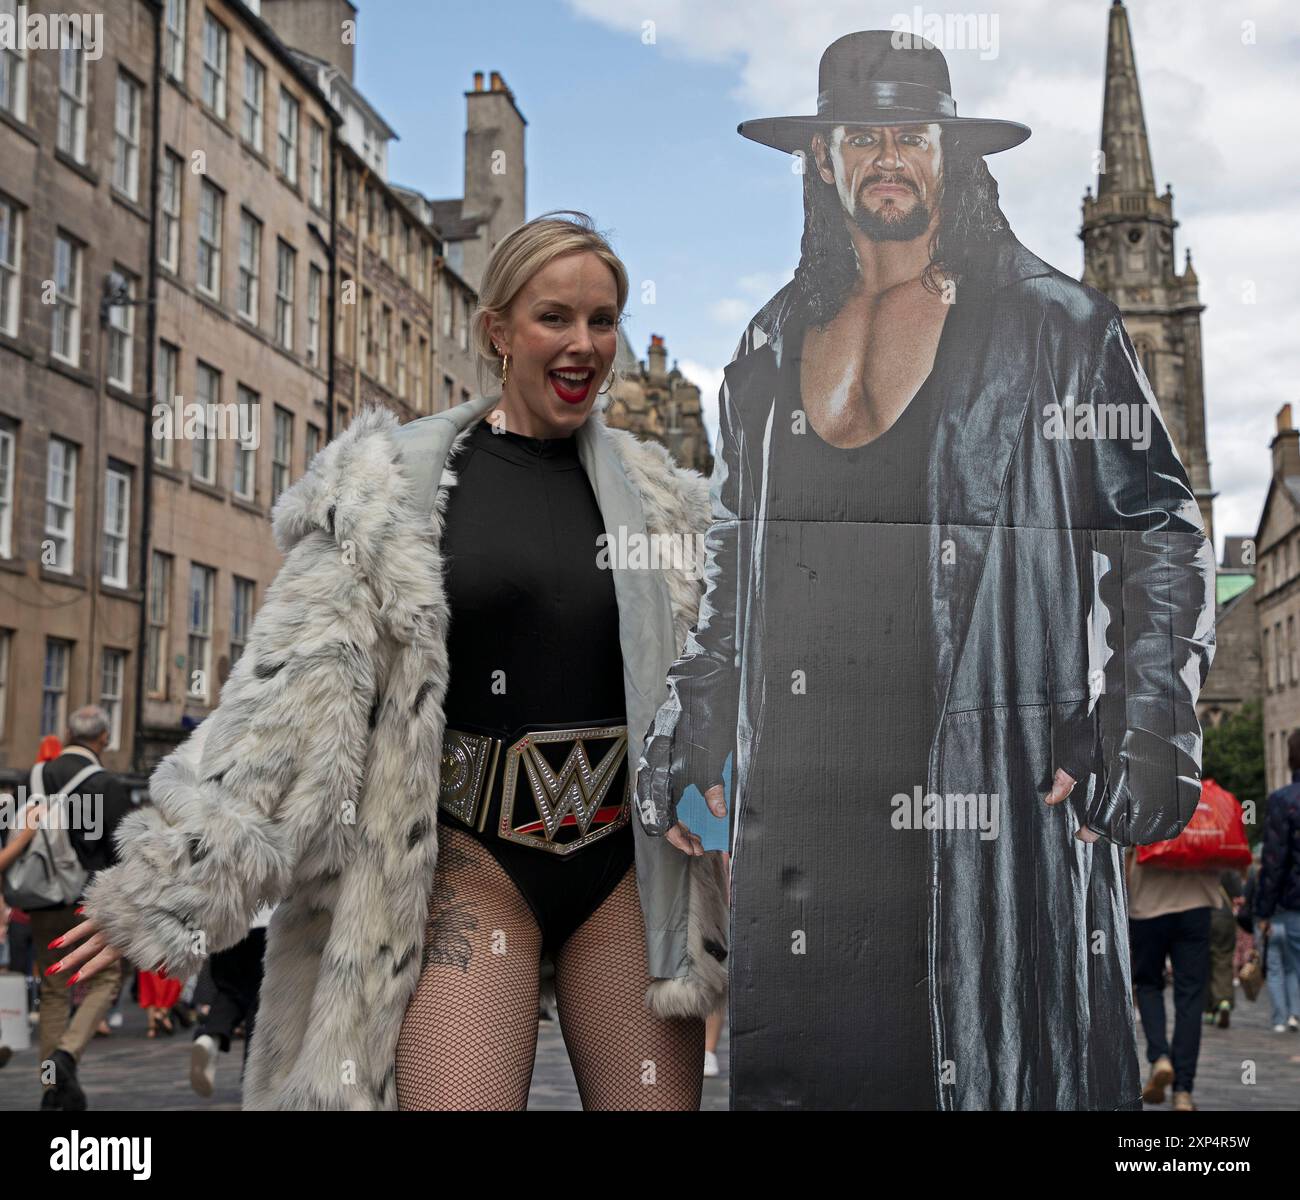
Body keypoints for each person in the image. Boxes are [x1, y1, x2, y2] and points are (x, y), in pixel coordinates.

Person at [637, 30, 1215, 1110]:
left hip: (985, 803)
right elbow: (733, 555)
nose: (887, 155)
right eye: (863, 135)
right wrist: (693, 727)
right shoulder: (768, 344)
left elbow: (1160, 531)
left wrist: (1136, 734)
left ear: (952, 154)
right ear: (822, 157)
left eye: (913, 133)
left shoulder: (1057, 326)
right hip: (800, 823)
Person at [47, 213, 729, 1110]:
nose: (584, 344)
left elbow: (716, 682)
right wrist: (161, 882)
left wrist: (708, 782)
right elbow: (289, 700)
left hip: (626, 872)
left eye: (603, 321)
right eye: (554, 318)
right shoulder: (394, 488)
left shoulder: (666, 504)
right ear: (497, 331)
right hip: (468, 865)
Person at [20, 706, 133, 1110]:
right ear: (102, 739)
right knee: (104, 981)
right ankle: (65, 1057)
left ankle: (52, 1089)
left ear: (67, 732)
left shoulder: (33, 777)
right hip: (90, 902)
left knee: (53, 991)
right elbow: (125, 852)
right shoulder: (108, 785)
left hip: (42, 898)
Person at [1126, 847, 1221, 1111]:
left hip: (1148, 902)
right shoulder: (1207, 802)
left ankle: (1160, 1057)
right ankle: (1183, 1092)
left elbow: (1124, 843)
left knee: (1148, 985)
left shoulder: (1140, 801)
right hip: (1196, 901)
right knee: (1190, 995)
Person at [190, 901, 274, 1097]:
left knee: (229, 990)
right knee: (260, 999)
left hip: (223, 923)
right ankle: (252, 1076)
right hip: (268, 923)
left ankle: (210, 1036)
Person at [1256, 730, 1300, 1034]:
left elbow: (1274, 860)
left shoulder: (1282, 800)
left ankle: (1285, 1017)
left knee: (1284, 961)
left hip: (1290, 900)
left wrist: (1264, 909)